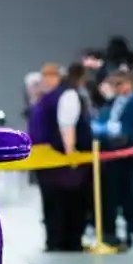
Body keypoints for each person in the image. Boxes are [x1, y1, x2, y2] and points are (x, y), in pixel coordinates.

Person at [27, 62, 92, 252]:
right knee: (56, 202)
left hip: (58, 160)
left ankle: (65, 241)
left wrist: (70, 153)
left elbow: (67, 126)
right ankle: (57, 240)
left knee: (66, 202)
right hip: (49, 160)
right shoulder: (48, 97)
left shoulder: (64, 96)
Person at [94, 70, 133, 248]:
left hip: (129, 153)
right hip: (111, 153)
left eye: (119, 83)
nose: (116, 88)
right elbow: (104, 122)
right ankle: (110, 232)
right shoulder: (112, 103)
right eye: (113, 84)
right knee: (111, 194)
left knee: (129, 194)